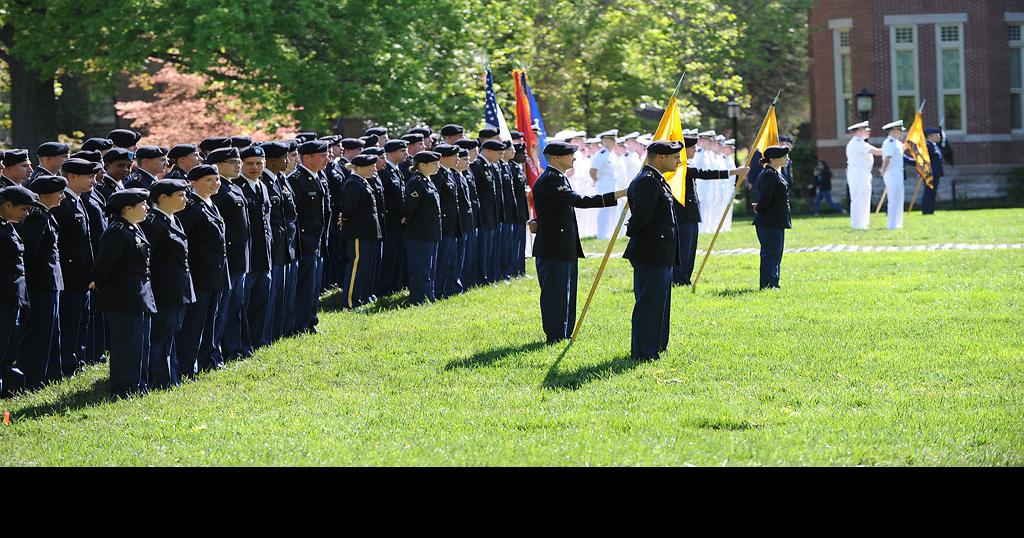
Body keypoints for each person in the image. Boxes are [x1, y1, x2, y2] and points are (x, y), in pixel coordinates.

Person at [531, 141, 625, 344]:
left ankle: (564, 332)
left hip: (563, 245)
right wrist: (620, 193)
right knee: (555, 294)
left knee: (566, 292)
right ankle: (555, 335)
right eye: (569, 155)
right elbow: (581, 200)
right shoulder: (550, 180)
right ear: (556, 158)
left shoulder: (558, 178)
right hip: (553, 248)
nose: (574, 158)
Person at [622, 141, 685, 361]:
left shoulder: (657, 179)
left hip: (661, 252)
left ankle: (657, 345)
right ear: (659, 157)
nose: (679, 161)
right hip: (650, 252)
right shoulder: (647, 181)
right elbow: (641, 218)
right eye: (675, 157)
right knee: (649, 303)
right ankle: (644, 351)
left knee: (660, 302)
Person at [92, 188, 156, 397]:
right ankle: (124, 388)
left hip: (138, 296)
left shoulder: (134, 227)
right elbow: (104, 266)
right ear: (128, 208)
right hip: (123, 298)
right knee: (127, 345)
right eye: (142, 204)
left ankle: (138, 385)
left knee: (140, 344)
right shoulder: (117, 231)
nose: (147, 207)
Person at [139, 179, 195, 388]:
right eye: (180, 195)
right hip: (164, 288)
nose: (185, 199)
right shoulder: (153, 223)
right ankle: (159, 378)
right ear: (162, 198)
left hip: (177, 286)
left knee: (172, 332)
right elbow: (149, 260)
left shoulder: (173, 218)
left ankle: (171, 375)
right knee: (162, 334)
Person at [672, 134, 749, 286]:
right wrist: (733, 172)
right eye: (692, 148)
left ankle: (685, 278)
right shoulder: (680, 169)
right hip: (683, 215)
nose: (695, 150)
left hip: (691, 214)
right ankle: (678, 279)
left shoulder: (685, 167)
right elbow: (704, 174)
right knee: (683, 249)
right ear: (684, 150)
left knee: (690, 251)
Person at [176, 165, 229, 375]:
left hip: (215, 272)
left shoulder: (210, 203)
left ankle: (209, 359)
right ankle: (189, 365)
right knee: (195, 323)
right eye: (209, 180)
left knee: (211, 319)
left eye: (216, 179)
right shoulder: (190, 207)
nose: (215, 183)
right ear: (193, 183)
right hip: (200, 274)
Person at [15, 175, 65, 388]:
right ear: (44, 194)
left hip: (49, 282)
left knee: (48, 332)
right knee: (38, 333)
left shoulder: (45, 214)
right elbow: (31, 252)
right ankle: (32, 379)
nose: (63, 196)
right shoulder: (37, 217)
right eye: (58, 192)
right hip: (40, 284)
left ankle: (43, 375)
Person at [52, 158, 99, 379]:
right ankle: (65, 366)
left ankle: (76, 362)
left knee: (82, 322)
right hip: (69, 277)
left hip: (82, 276)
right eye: (88, 176)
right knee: (69, 323)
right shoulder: (63, 204)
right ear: (71, 177)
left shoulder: (78, 200)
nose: (93, 180)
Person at [209, 147, 252, 360]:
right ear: (217, 166)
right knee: (223, 310)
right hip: (229, 259)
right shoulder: (219, 191)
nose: (238, 166)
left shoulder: (234, 188)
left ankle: (234, 348)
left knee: (235, 307)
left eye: (238, 162)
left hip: (240, 257)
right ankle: (217, 352)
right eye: (232, 162)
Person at [288, 139, 330, 334]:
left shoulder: (318, 177)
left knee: (314, 286)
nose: (327, 159)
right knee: (305, 286)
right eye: (322, 155)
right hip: (305, 242)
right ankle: (300, 325)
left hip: (318, 241)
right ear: (307, 158)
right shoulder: (297, 180)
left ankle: (310, 321)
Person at [0, 186, 36, 397]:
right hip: (3, 298)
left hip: (13, 298)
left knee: (9, 346)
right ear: (7, 205)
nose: (26, 214)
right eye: (23, 209)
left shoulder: (8, 226)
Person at [259, 141, 297, 340]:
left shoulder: (281, 179)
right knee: (271, 295)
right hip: (273, 246)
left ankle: (279, 331)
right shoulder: (264, 181)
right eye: (284, 158)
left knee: (283, 292)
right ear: (271, 161)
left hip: (286, 245)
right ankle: (267, 335)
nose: (287, 161)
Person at [237, 145, 274, 347]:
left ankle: (258, 341)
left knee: (262, 300)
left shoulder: (262, 186)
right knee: (244, 304)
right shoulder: (238, 187)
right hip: (248, 257)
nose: (255, 167)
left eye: (259, 163)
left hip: (264, 255)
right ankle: (243, 344)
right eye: (250, 163)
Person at [339, 154, 383, 308]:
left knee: (364, 267)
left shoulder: (362, 182)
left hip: (367, 232)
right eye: (371, 166)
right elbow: (350, 208)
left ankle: (360, 297)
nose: (374, 169)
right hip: (358, 232)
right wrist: (344, 218)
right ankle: (350, 301)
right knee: (356, 266)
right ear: (360, 168)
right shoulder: (353, 183)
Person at [401, 151, 443, 305]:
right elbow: (409, 209)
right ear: (422, 165)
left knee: (429, 267)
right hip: (419, 232)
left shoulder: (428, 180)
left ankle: (428, 296)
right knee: (420, 268)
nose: (438, 166)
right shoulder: (417, 182)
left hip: (430, 232)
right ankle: (419, 298)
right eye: (434, 164)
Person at [752, 146, 793, 290]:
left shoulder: (775, 173)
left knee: (776, 254)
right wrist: (757, 207)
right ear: (773, 159)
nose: (787, 159)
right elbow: (765, 199)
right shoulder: (769, 174)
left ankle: (773, 283)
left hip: (776, 221)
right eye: (784, 156)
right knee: (770, 254)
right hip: (769, 221)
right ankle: (768, 285)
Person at [377, 139, 408, 296]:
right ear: (390, 153)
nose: (406, 154)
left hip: (398, 223)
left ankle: (394, 286)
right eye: (402, 151)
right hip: (389, 223)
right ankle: (384, 289)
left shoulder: (397, 170)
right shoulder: (384, 171)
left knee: (397, 257)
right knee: (388, 257)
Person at [433, 144, 464, 298]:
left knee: (451, 259)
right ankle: (438, 291)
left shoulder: (449, 173)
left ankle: (448, 288)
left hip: (452, 224)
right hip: (444, 225)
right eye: (454, 156)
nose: (457, 159)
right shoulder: (437, 175)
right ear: (443, 158)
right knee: (442, 260)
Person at [845, 121, 882, 230]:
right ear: (859, 131)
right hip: (858, 173)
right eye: (866, 129)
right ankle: (857, 225)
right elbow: (878, 152)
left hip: (864, 173)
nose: (869, 131)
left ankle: (863, 224)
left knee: (865, 199)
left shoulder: (861, 142)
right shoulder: (856, 143)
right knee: (858, 199)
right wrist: (897, 149)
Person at [589, 130, 620, 240]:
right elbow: (592, 170)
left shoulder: (611, 154)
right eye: (611, 139)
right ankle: (602, 234)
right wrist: (597, 180)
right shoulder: (601, 154)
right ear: (605, 141)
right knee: (604, 211)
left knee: (612, 211)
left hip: (612, 187)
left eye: (614, 139)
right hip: (604, 187)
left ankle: (610, 233)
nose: (613, 142)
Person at [880, 120, 907, 230]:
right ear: (893, 131)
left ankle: (897, 224)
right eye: (899, 130)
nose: (901, 132)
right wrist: (883, 170)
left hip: (898, 173)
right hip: (892, 173)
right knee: (893, 199)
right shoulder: (890, 142)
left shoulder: (896, 142)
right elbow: (887, 158)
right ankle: (891, 225)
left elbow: (902, 148)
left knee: (898, 199)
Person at [922, 128, 945, 215]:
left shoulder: (934, 145)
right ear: (930, 136)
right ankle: (927, 210)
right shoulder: (927, 145)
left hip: (936, 173)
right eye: (937, 134)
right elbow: (924, 159)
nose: (939, 136)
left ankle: (930, 210)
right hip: (930, 173)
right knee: (929, 192)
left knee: (933, 192)